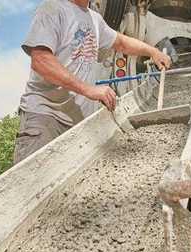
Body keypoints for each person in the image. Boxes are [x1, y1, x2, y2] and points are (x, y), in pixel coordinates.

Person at [13, 0, 171, 163]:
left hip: (79, 124)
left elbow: (121, 43)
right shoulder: (52, 9)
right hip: (46, 116)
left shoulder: (95, 19)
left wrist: (153, 51)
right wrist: (87, 89)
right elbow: (41, 61)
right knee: (35, 180)